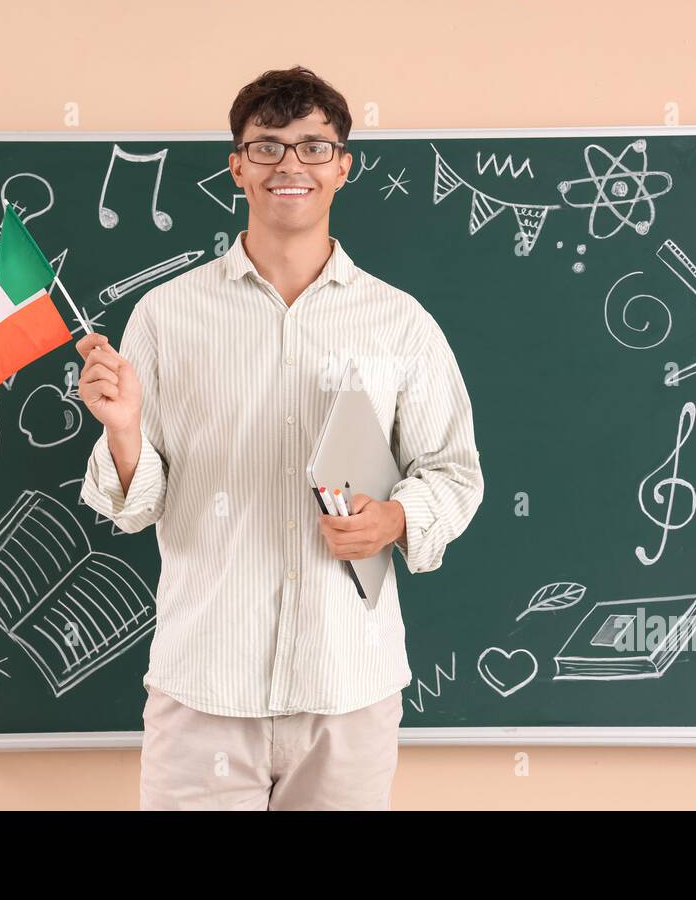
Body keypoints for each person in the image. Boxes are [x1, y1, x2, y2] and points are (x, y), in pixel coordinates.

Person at [76, 66, 484, 810]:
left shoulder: (400, 321)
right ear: (236, 166)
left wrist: (394, 518)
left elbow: (453, 473)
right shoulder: (168, 317)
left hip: (347, 687)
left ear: (342, 167)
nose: (290, 165)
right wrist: (126, 431)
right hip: (204, 686)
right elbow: (134, 506)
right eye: (266, 147)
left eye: (313, 147)